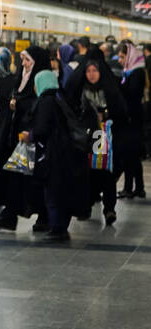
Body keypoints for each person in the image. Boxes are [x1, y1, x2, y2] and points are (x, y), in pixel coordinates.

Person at [0, 45, 50, 231]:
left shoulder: (41, 79)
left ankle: (43, 215)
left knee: (33, 180)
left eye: (27, 60)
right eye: (22, 59)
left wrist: (20, 105)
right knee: (15, 176)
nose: (23, 64)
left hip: (33, 139)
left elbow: (39, 105)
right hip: (16, 138)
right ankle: (11, 214)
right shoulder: (21, 79)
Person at [65, 53, 125, 225]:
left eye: (95, 71)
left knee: (107, 173)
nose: (91, 74)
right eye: (88, 71)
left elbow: (120, 111)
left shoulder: (109, 90)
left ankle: (109, 209)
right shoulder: (80, 91)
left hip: (108, 137)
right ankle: (86, 205)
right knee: (88, 173)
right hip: (87, 137)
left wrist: (105, 115)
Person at [30, 70, 87, 242]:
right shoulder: (60, 97)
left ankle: (57, 228)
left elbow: (42, 129)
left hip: (52, 152)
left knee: (52, 192)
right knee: (61, 190)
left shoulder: (45, 102)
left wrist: (29, 136)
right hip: (67, 151)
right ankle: (61, 226)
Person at [117, 41, 146, 198]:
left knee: (130, 154)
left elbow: (132, 94)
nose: (120, 60)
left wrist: (119, 87)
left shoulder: (136, 73)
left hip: (132, 120)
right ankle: (136, 187)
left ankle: (131, 188)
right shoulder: (130, 71)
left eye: (122, 57)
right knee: (132, 155)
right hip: (131, 119)